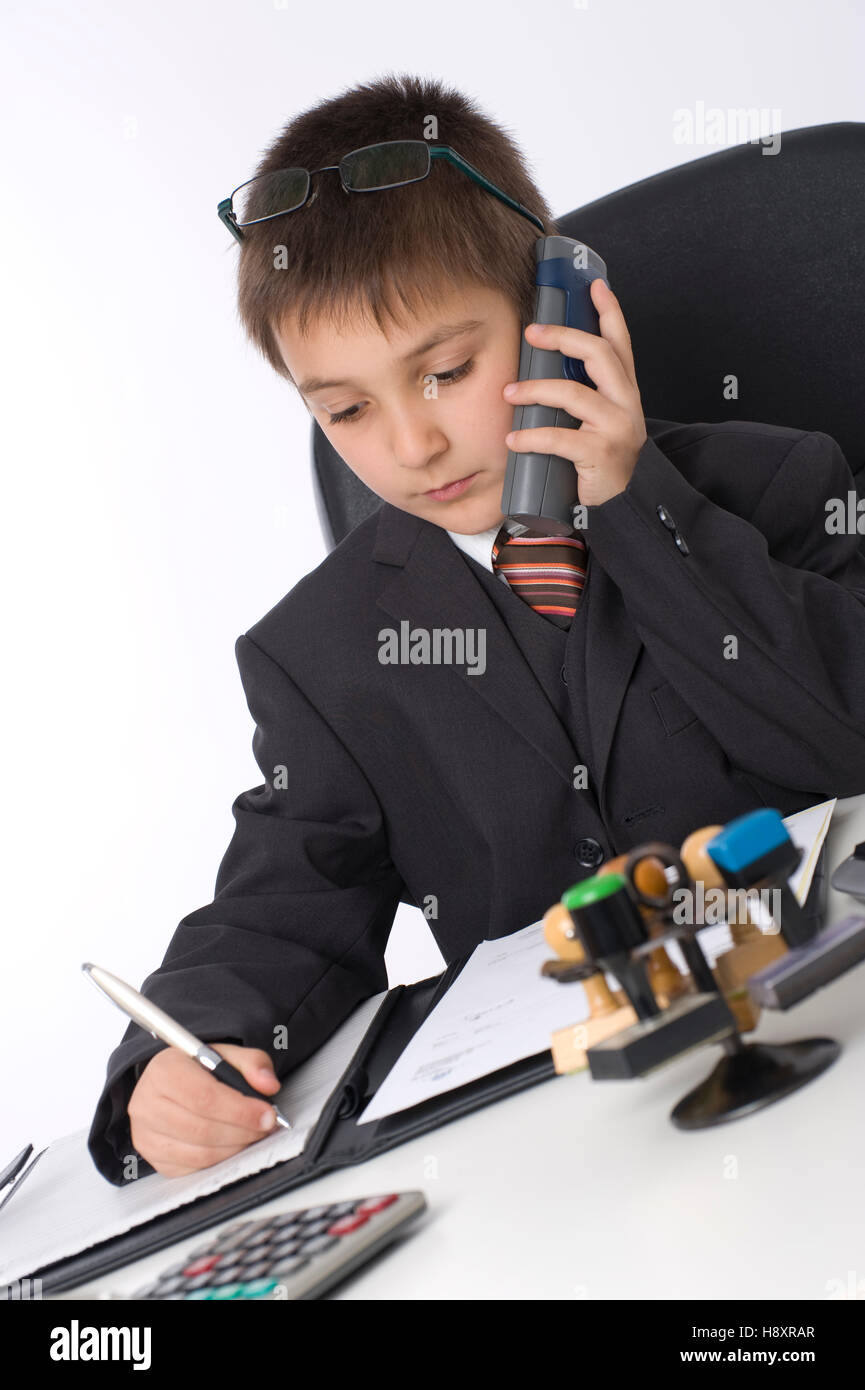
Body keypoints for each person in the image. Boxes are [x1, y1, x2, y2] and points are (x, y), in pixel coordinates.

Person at [88, 73, 865, 1183]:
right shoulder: (318, 655)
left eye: (447, 372)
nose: (409, 444)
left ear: (556, 322)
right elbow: (287, 895)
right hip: (588, 1142)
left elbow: (841, 732)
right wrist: (171, 1057)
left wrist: (633, 505)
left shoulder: (774, 487)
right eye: (345, 408)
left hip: (824, 1036)